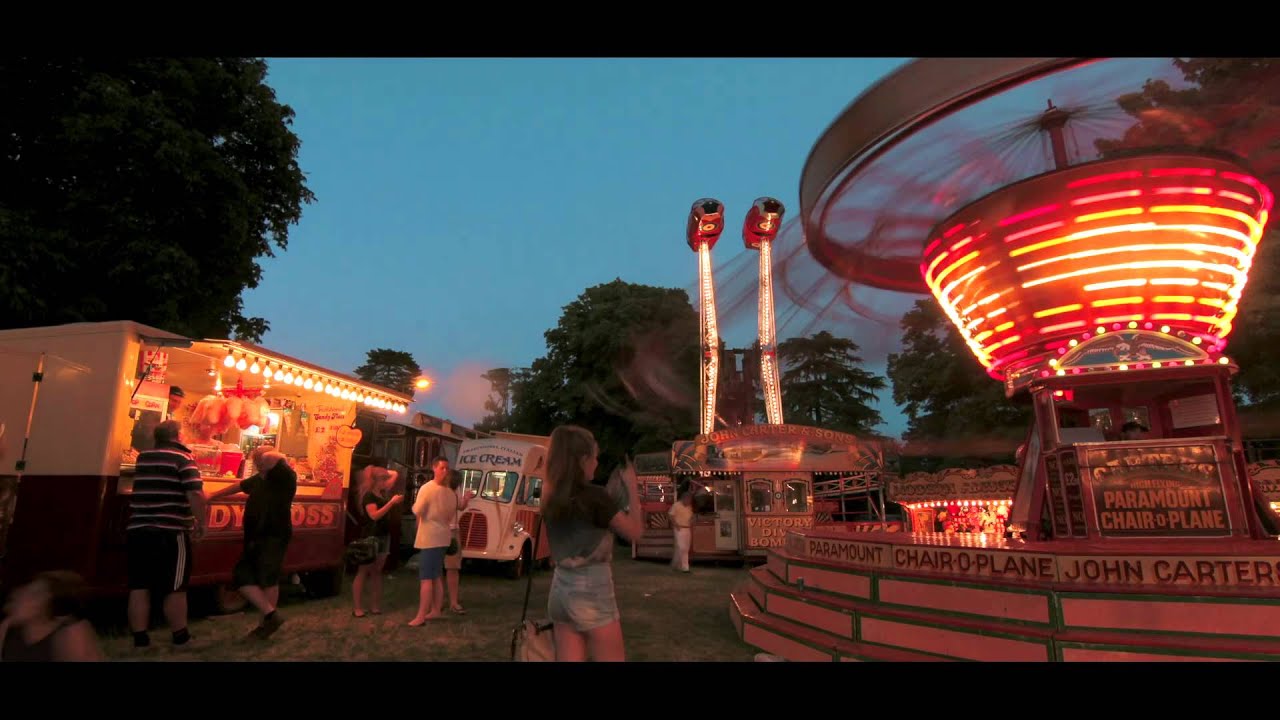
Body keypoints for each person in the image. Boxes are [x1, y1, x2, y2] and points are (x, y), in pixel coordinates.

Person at [541, 425, 644, 662]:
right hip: (591, 590)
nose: (597, 463)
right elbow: (635, 532)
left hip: (559, 590)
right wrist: (632, 488)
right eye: (594, 457)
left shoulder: (550, 497)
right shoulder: (595, 497)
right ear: (582, 460)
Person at [126, 420, 206, 648]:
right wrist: (202, 522)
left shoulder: (143, 457)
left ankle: (140, 639)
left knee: (139, 585)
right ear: (179, 435)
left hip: (138, 529)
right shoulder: (183, 459)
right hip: (170, 530)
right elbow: (195, 495)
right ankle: (181, 637)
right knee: (176, 586)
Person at [206, 444, 296, 639]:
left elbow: (276, 455)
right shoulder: (260, 479)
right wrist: (213, 495)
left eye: (260, 461)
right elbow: (239, 486)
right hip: (256, 536)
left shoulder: (285, 476)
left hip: (274, 534)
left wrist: (265, 455)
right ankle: (271, 616)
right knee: (241, 576)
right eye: (256, 461)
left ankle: (266, 624)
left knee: (268, 578)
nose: (258, 465)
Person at [408, 457, 474, 626]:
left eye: (446, 468)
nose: (444, 471)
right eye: (442, 468)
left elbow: (417, 509)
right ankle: (436, 610)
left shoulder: (427, 488)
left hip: (430, 538)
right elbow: (459, 507)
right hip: (444, 537)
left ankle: (421, 616)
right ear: (435, 468)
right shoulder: (450, 492)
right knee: (437, 576)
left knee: (426, 578)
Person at [0, 571, 102, 661]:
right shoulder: (8, 627)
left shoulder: (71, 631)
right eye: (21, 592)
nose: (21, 598)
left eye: (34, 594)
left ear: (48, 602)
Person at [352, 465, 401, 617]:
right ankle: (358, 608)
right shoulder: (369, 496)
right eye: (382, 479)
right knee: (363, 571)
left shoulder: (381, 493)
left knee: (377, 572)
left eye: (385, 479)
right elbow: (374, 515)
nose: (386, 481)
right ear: (374, 481)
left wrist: (381, 472)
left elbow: (395, 474)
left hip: (383, 536)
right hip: (370, 537)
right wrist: (391, 503)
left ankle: (374, 606)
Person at [442, 468, 473, 614]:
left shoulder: (454, 491)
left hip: (452, 530)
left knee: (452, 567)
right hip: (442, 530)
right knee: (446, 568)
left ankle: (452, 602)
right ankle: (441, 602)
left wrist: (466, 498)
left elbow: (460, 506)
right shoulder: (439, 491)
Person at [668, 490, 694, 573]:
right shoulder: (676, 505)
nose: (689, 501)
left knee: (685, 548)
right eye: (688, 499)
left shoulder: (689, 507)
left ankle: (678, 565)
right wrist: (676, 525)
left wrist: (692, 520)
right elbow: (671, 515)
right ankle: (684, 567)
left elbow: (691, 516)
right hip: (679, 529)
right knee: (682, 547)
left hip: (687, 528)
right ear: (684, 498)